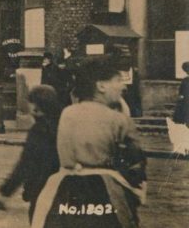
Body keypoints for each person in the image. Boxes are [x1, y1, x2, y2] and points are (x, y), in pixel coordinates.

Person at [30, 57, 146, 228]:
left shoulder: (67, 113)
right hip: (104, 193)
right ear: (101, 86)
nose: (123, 86)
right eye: (118, 80)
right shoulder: (118, 119)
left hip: (63, 190)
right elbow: (136, 161)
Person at [0, 85, 62, 222]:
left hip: (42, 193)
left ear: (37, 107)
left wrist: (4, 193)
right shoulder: (63, 122)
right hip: (66, 192)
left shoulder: (39, 130)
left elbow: (25, 164)